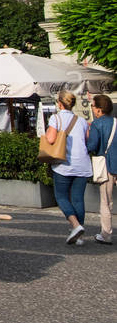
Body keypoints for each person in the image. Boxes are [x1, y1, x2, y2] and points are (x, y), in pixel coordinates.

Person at [45, 91, 91, 245]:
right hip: (83, 164)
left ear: (59, 103)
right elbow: (87, 140)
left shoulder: (56, 118)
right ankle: (79, 236)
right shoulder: (82, 120)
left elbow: (50, 139)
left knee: (61, 197)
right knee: (78, 199)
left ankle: (76, 226)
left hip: (63, 165)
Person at [85, 93, 117, 244]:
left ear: (99, 110)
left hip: (107, 167)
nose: (92, 109)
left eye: (93, 106)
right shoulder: (116, 122)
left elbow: (92, 146)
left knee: (106, 202)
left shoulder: (96, 124)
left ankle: (106, 235)